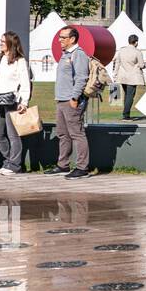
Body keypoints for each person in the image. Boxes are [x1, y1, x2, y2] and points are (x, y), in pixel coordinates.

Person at [49, 27, 91, 179]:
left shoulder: (78, 55)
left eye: (63, 37)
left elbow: (81, 77)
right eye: (59, 37)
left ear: (72, 39)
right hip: (61, 99)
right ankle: (63, 165)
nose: (59, 40)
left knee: (76, 134)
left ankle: (82, 167)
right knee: (62, 133)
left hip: (71, 101)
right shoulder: (65, 55)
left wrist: (74, 98)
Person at [0, 32, 32, 177]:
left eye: (3, 41)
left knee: (13, 134)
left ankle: (14, 165)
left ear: (11, 43)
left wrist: (24, 102)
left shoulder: (19, 61)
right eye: (0, 40)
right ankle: (9, 160)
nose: (0, 43)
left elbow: (25, 82)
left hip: (12, 100)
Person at [111, 35, 146, 120]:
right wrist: (143, 66)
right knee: (130, 96)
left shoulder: (121, 50)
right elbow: (141, 65)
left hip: (122, 76)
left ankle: (125, 114)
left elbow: (117, 63)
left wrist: (114, 74)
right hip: (133, 77)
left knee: (127, 95)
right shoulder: (137, 52)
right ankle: (126, 115)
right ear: (136, 42)